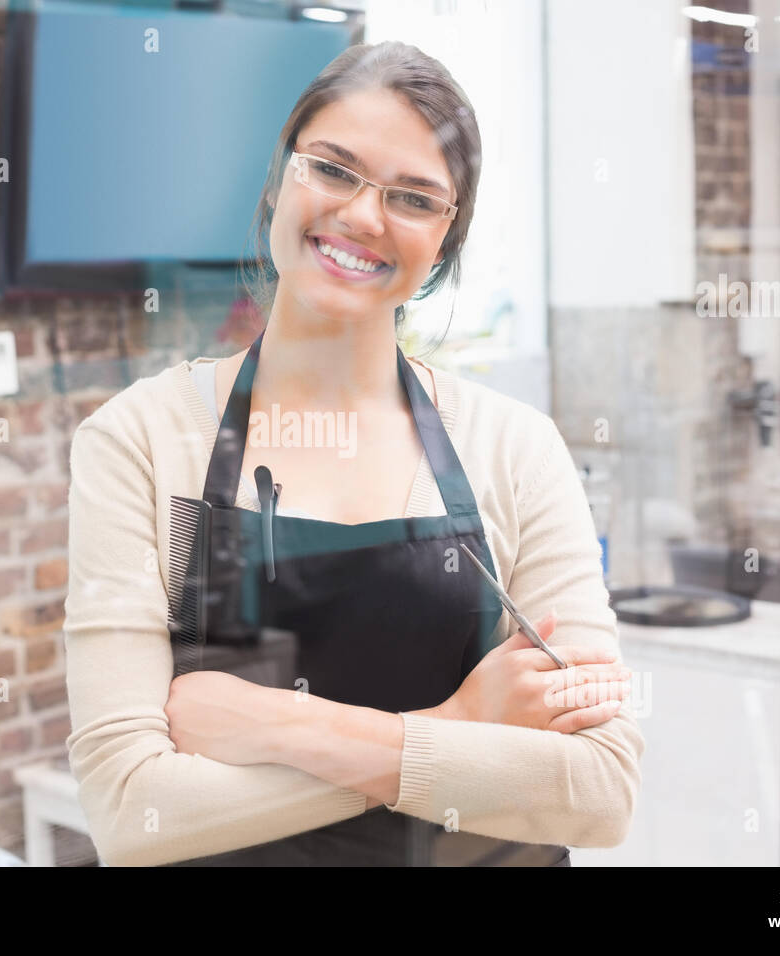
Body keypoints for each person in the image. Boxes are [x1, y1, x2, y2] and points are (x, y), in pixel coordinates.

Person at [64, 40, 644, 867]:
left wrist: (283, 726)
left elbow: (599, 789)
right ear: (277, 185)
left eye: (413, 198)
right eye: (333, 170)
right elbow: (131, 811)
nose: (365, 217)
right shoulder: (143, 441)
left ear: (444, 244)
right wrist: (461, 728)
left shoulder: (513, 447)